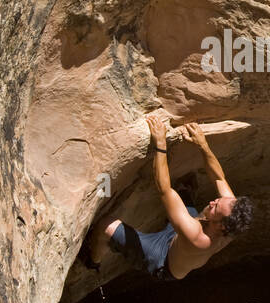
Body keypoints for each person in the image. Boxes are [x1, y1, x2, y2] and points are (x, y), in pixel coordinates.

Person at [89, 112, 253, 281]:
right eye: (218, 200)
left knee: (105, 225)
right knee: (186, 184)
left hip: (161, 257)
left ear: (221, 227)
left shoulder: (198, 237)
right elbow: (219, 178)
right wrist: (203, 145)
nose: (213, 202)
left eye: (215, 208)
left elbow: (164, 189)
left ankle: (92, 261)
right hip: (179, 233)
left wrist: (160, 145)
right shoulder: (231, 213)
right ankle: (184, 197)